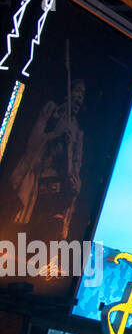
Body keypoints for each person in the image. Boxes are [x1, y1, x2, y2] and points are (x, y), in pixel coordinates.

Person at [11, 80, 85, 237]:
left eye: (82, 96)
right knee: (27, 231)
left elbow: (76, 166)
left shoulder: (78, 131)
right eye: (78, 92)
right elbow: (33, 142)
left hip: (61, 190)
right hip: (40, 182)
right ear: (69, 92)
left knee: (50, 234)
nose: (79, 98)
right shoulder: (52, 111)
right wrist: (55, 135)